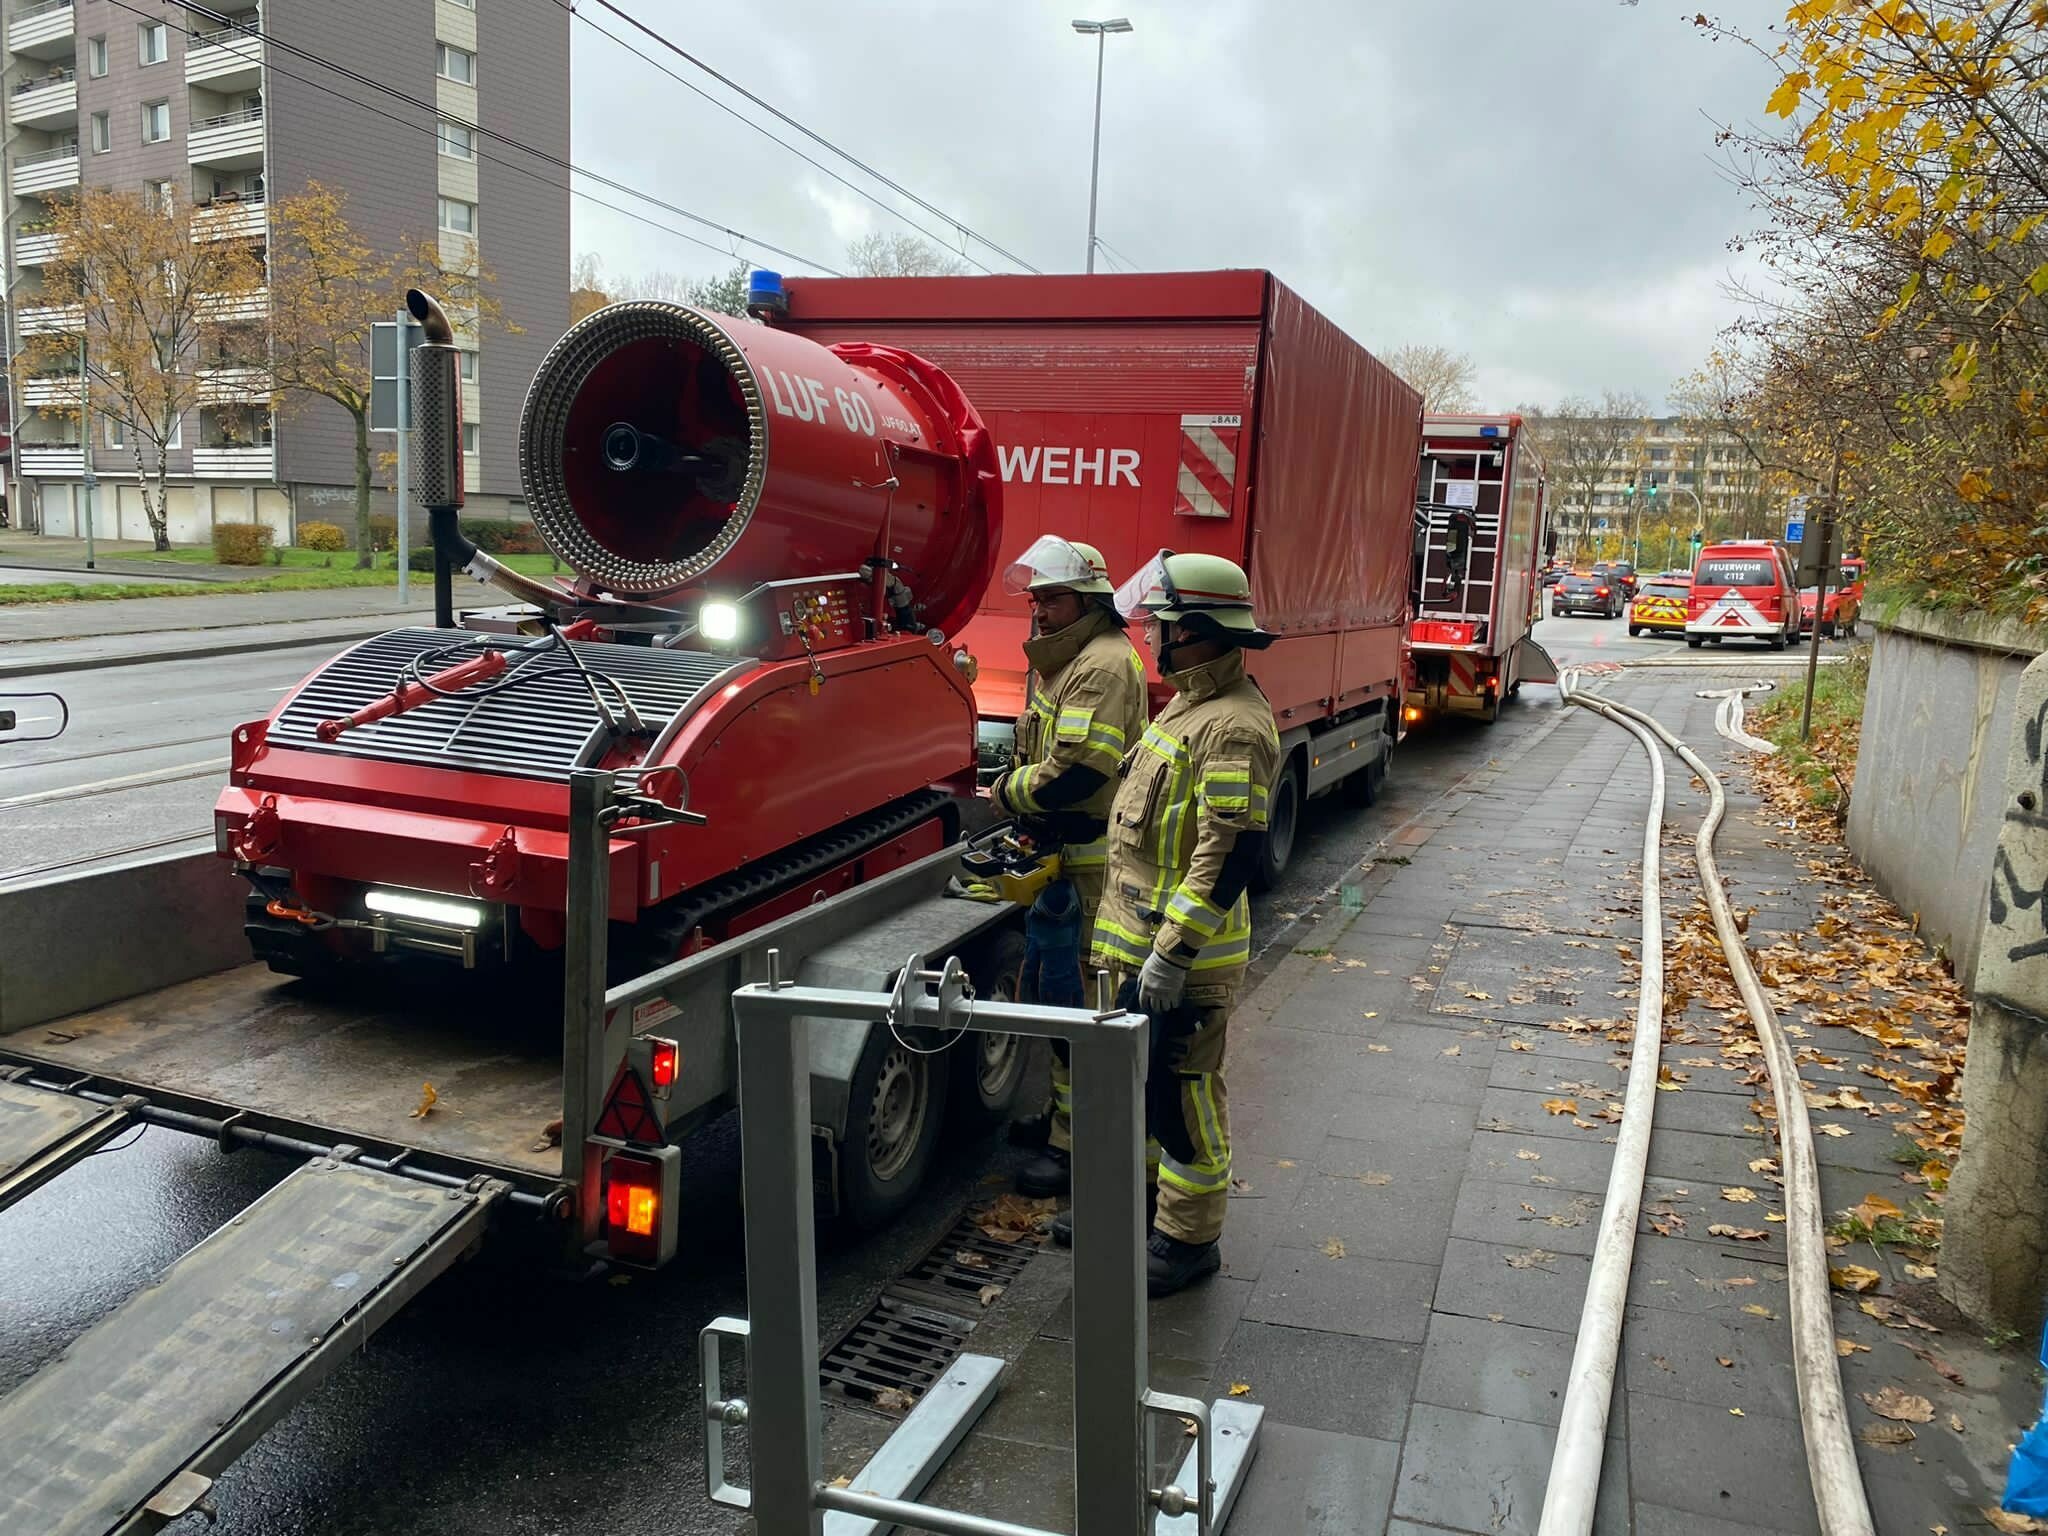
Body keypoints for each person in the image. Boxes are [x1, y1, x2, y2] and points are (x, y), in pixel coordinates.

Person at [1083, 550, 1280, 1296]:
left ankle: (1189, 1241)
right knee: (1139, 1089)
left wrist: (1172, 954)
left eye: (1160, 624)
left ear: (1194, 632)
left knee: (1184, 1098)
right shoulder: (1192, 703)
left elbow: (1229, 854)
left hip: (1181, 964)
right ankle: (1140, 1214)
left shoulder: (1232, 725)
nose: (1149, 635)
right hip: (1139, 950)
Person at [988, 535, 1148, 1198]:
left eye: (1051, 599)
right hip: (1063, 861)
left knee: (1077, 1004)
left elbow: (1080, 772)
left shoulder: (1101, 665)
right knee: (1054, 995)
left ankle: (1074, 1146)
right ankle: (1061, 1119)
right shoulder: (1072, 658)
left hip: (1087, 865)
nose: (1039, 610)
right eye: (1035, 599)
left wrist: (1007, 792)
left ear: (1088, 601)